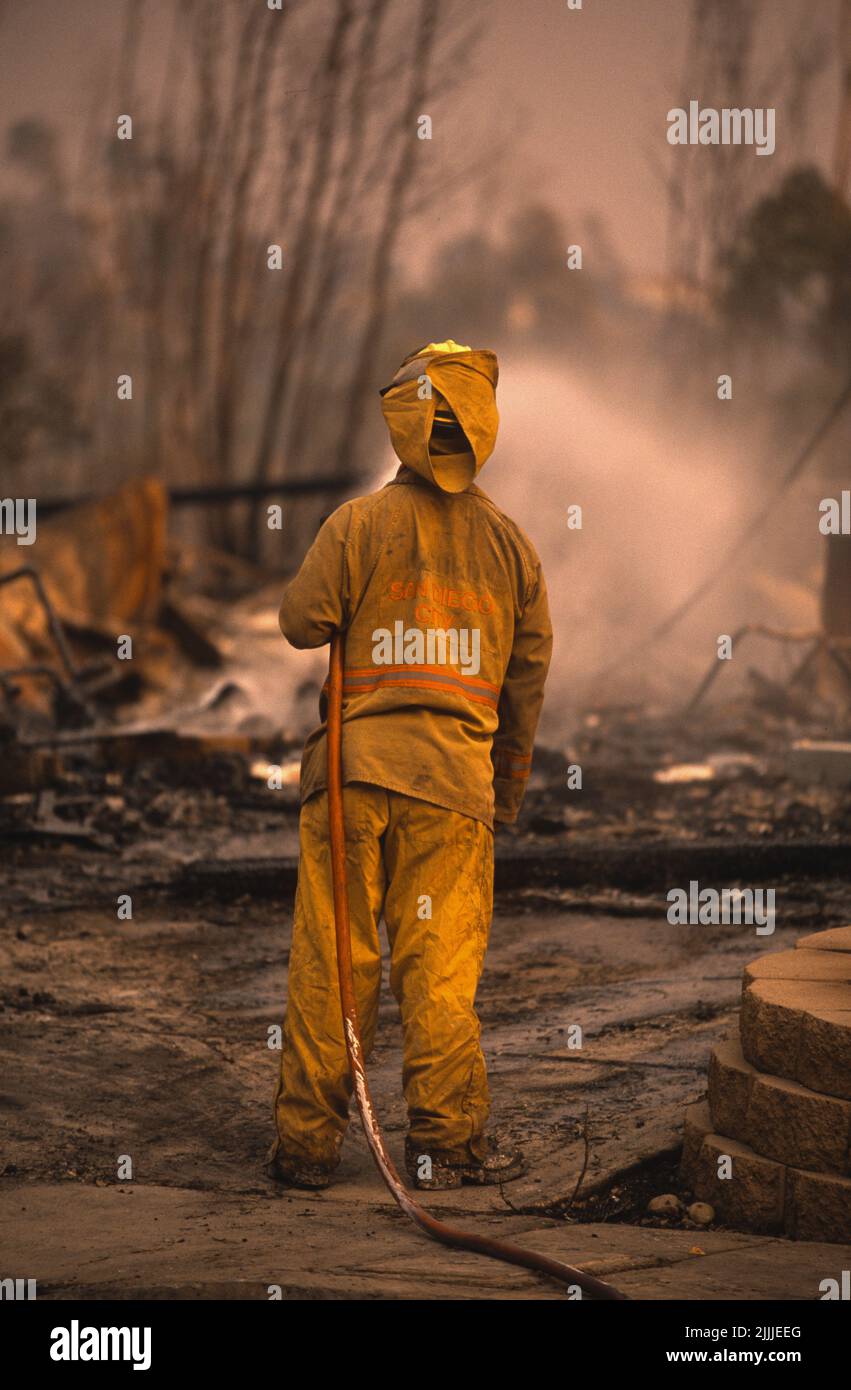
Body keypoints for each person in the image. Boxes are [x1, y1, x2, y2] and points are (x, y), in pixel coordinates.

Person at [268, 340, 552, 1190]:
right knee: (440, 969)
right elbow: (525, 683)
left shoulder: (356, 526)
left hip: (352, 781)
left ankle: (307, 1148)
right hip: (453, 798)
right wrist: (503, 795)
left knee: (333, 963)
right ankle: (446, 1141)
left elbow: (297, 622)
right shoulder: (511, 549)